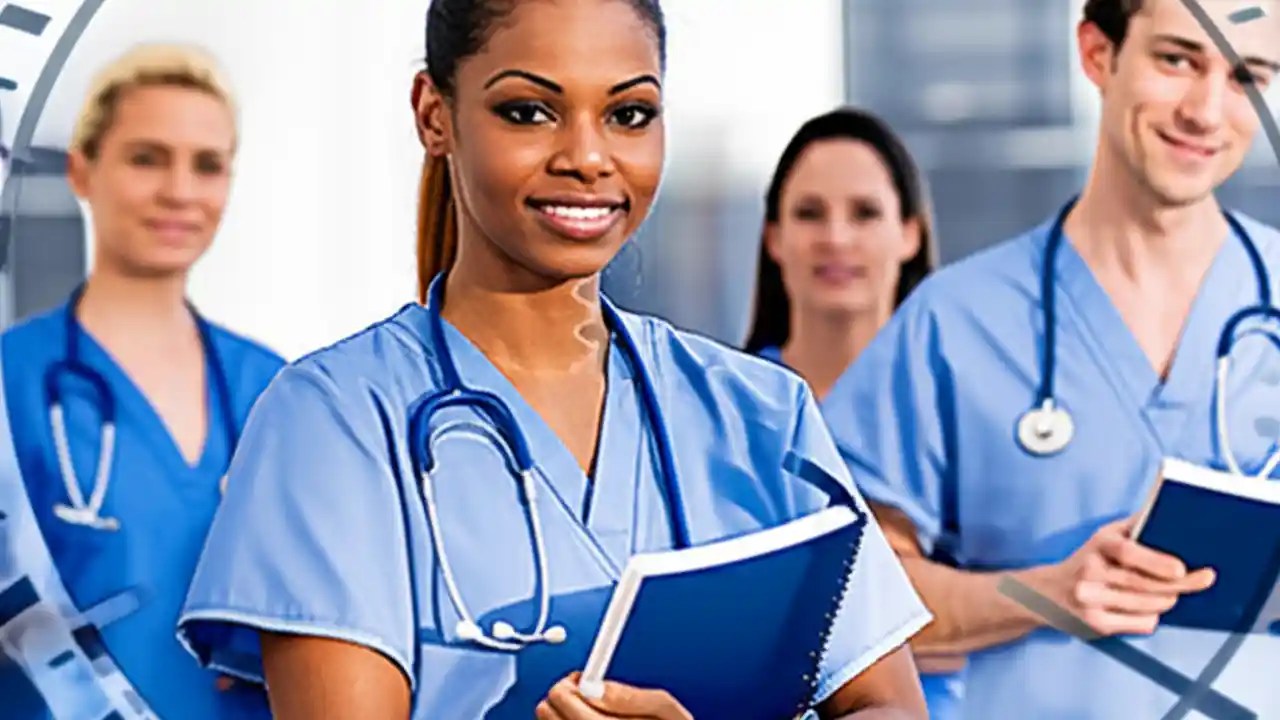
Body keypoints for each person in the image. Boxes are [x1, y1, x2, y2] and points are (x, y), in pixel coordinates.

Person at [174, 1, 934, 718]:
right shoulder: (335, 422)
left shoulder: (761, 413)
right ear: (434, 116)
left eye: (628, 114)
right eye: (529, 112)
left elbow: (890, 702)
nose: (588, 157)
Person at [823, 0, 1280, 717]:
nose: (1206, 110)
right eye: (1177, 59)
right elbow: (853, 596)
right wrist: (1045, 592)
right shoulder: (958, 323)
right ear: (1098, 54)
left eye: (1246, 75)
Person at [0, 44, 284, 719]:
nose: (180, 191)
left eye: (207, 165)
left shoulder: (274, 389)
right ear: (82, 171)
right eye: (146, 158)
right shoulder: (14, 379)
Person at [743, 108, 962, 715]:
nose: (835, 237)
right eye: (809, 214)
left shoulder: (970, 410)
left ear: (910, 232)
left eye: (864, 213)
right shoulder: (726, 413)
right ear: (774, 238)